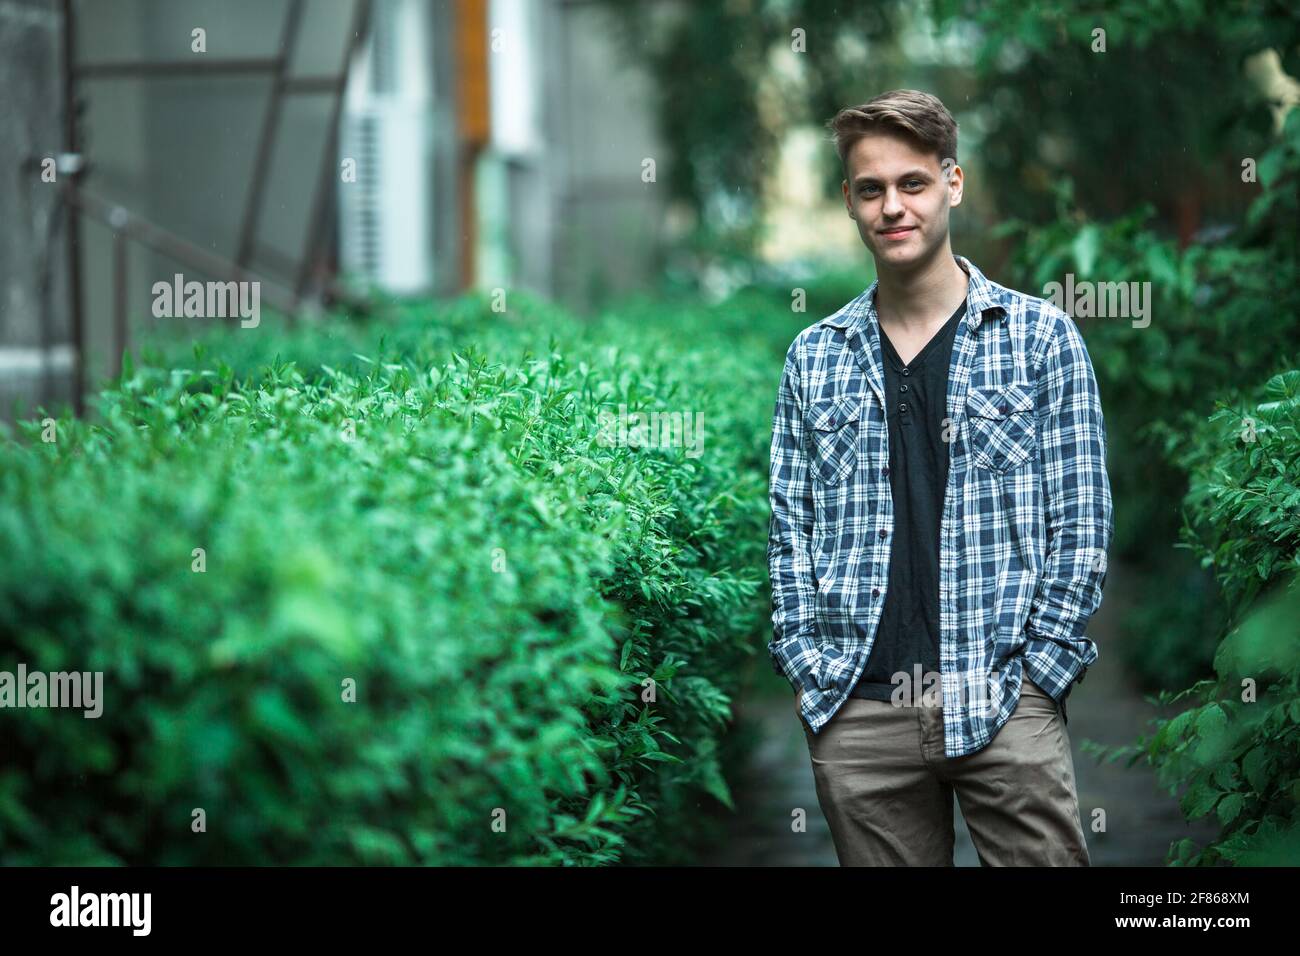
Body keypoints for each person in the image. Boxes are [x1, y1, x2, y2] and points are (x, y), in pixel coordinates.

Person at [766, 89, 1113, 866]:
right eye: (871, 189)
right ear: (849, 202)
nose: (893, 206)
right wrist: (808, 670)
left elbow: (1082, 523)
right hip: (860, 708)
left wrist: (1042, 672)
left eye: (913, 183)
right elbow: (790, 532)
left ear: (952, 183)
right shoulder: (814, 357)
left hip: (1003, 699)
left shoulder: (1040, 339)